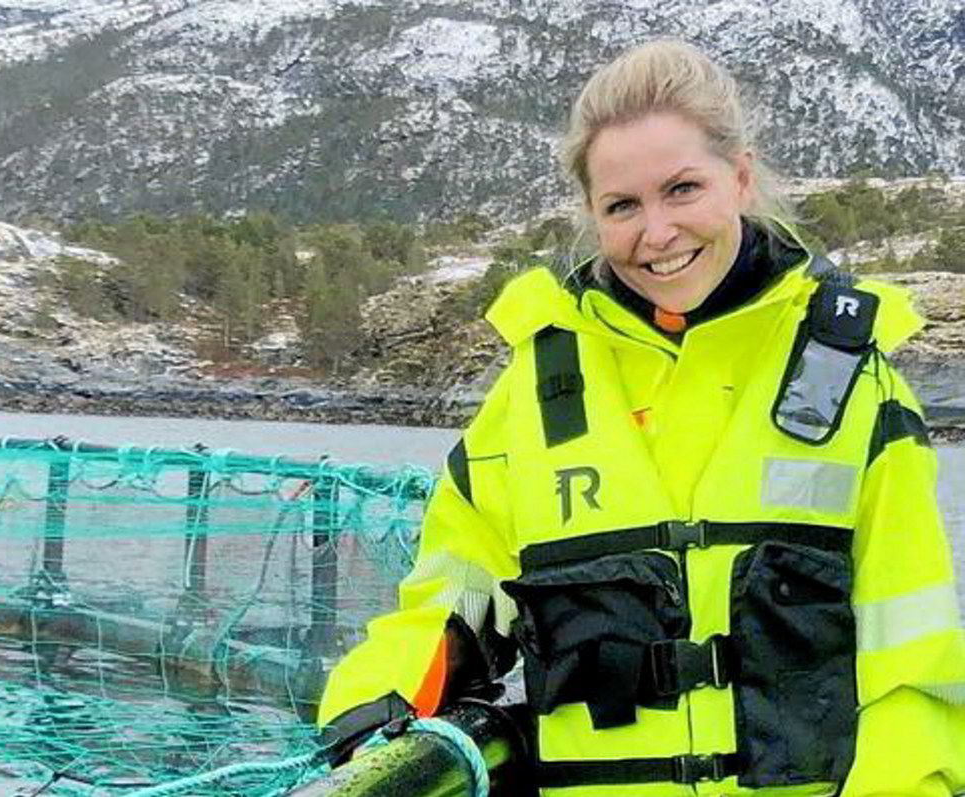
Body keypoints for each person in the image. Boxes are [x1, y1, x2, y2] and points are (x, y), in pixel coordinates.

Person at [315, 39, 965, 796]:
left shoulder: (853, 378)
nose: (656, 233)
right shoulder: (531, 392)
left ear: (742, 178)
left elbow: (912, 660)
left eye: (682, 189)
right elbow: (448, 609)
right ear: (593, 216)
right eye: (622, 205)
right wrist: (370, 711)